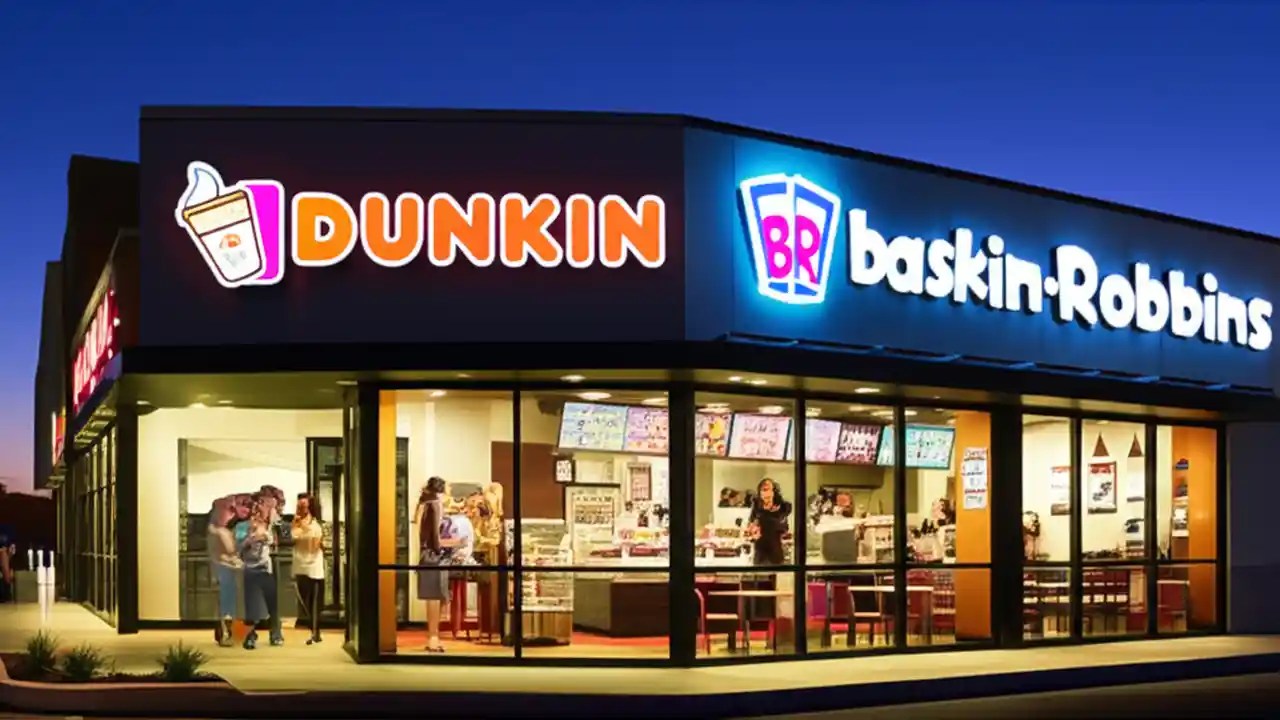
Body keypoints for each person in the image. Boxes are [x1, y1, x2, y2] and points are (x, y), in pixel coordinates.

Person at [414, 477, 464, 653]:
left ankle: (433, 636)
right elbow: (435, 539)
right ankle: (433, 637)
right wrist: (455, 543)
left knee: (435, 597)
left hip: (426, 556)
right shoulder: (435, 505)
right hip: (433, 557)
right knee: (436, 597)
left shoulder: (425, 504)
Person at [240, 493, 282, 649]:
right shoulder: (242, 527)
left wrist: (267, 529)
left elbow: (274, 539)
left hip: (265, 569)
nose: (258, 511)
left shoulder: (269, 526)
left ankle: (276, 634)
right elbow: (237, 547)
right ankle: (250, 636)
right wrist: (249, 540)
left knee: (272, 603)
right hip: (250, 570)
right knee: (251, 606)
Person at [207, 496, 242, 647]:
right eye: (229, 510)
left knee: (229, 603)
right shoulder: (215, 531)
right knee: (225, 604)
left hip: (229, 570)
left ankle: (229, 633)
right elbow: (218, 554)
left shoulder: (224, 530)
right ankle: (225, 633)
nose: (231, 514)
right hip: (223, 571)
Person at [291, 493, 325, 645]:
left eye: (303, 506)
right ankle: (312, 627)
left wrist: (304, 529)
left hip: (314, 564)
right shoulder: (296, 522)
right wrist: (297, 526)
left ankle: (315, 632)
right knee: (304, 598)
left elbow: (316, 544)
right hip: (300, 563)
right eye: (299, 506)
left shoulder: (316, 524)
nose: (300, 509)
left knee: (314, 599)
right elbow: (292, 537)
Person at [746, 478, 791, 566]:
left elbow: (785, 528)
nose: (766, 493)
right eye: (764, 490)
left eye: (769, 489)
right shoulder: (756, 506)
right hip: (760, 552)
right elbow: (750, 525)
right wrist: (752, 531)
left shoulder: (783, 507)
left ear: (774, 491)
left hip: (776, 551)